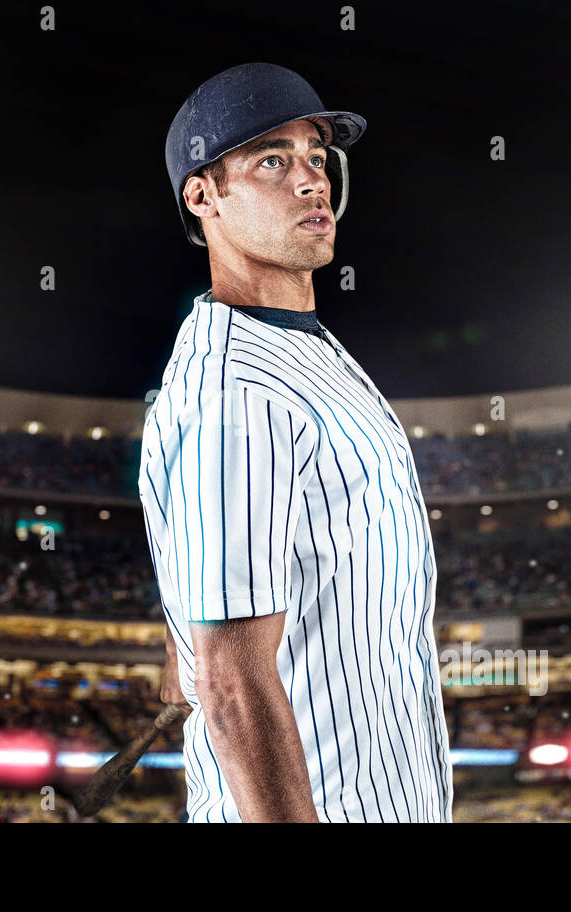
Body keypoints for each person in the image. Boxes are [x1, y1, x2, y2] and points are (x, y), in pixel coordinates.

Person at [141, 62, 452, 822]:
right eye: (271, 161)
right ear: (203, 195)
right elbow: (230, 678)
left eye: (317, 157)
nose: (311, 181)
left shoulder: (307, 348)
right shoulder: (233, 390)